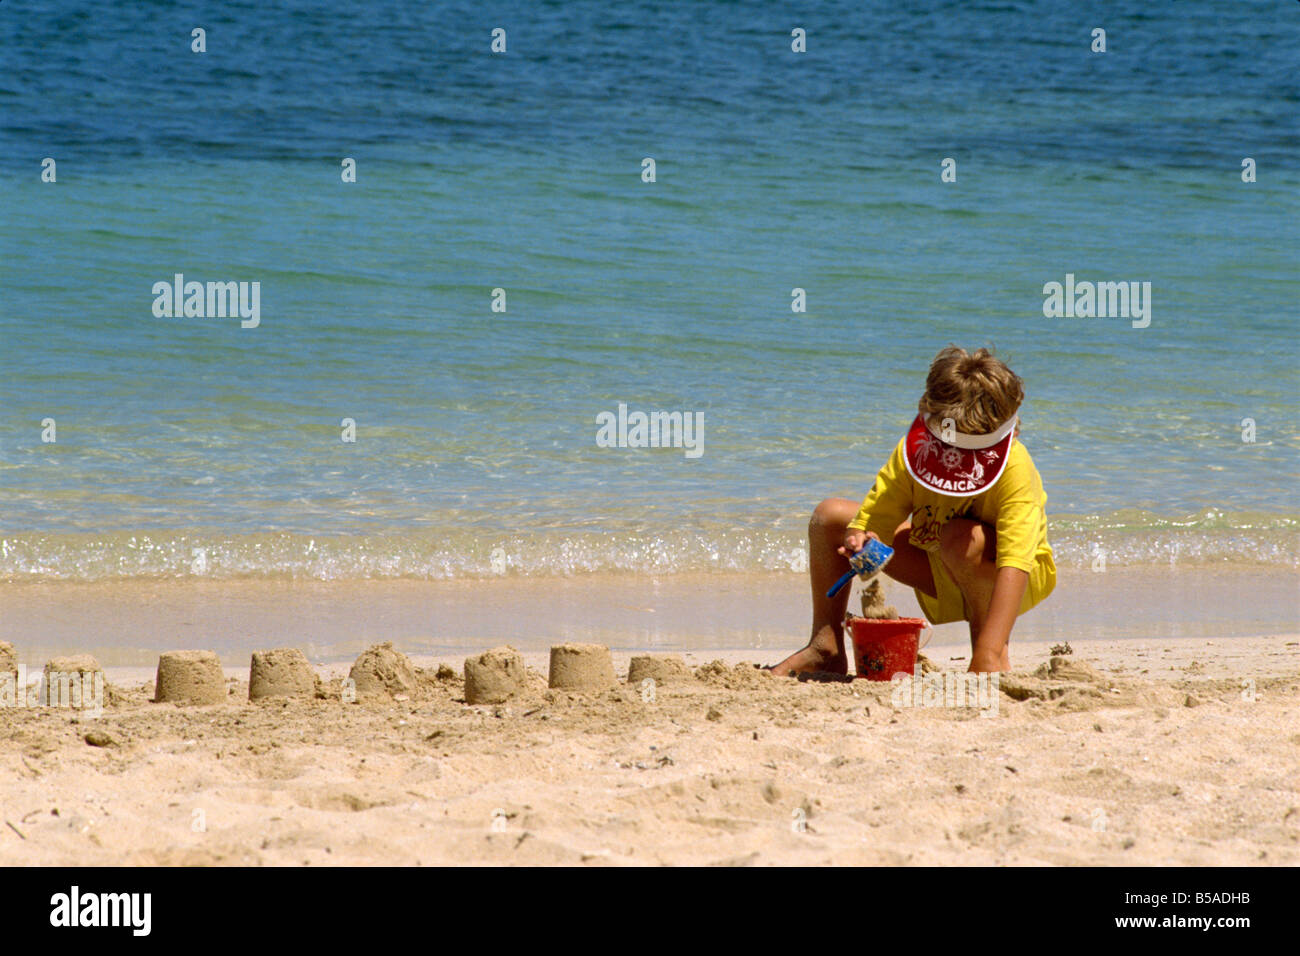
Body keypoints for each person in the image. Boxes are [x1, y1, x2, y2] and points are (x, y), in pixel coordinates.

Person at [771, 346, 1055, 676]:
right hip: (940, 562)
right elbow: (876, 517)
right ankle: (825, 647)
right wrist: (860, 540)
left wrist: (990, 650)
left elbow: (1015, 564)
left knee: (962, 538)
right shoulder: (918, 449)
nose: (951, 457)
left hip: (1013, 579)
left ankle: (990, 656)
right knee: (829, 516)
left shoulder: (1014, 467)